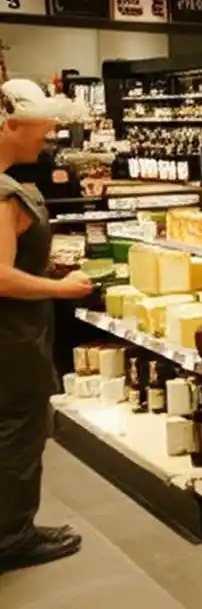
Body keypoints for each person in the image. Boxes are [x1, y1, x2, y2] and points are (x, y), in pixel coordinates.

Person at [0, 78, 93, 574]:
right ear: (10, 126)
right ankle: (12, 539)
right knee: (19, 428)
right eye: (40, 128)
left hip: (16, 333)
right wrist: (61, 287)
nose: (48, 136)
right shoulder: (3, 194)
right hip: (12, 337)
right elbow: (0, 277)